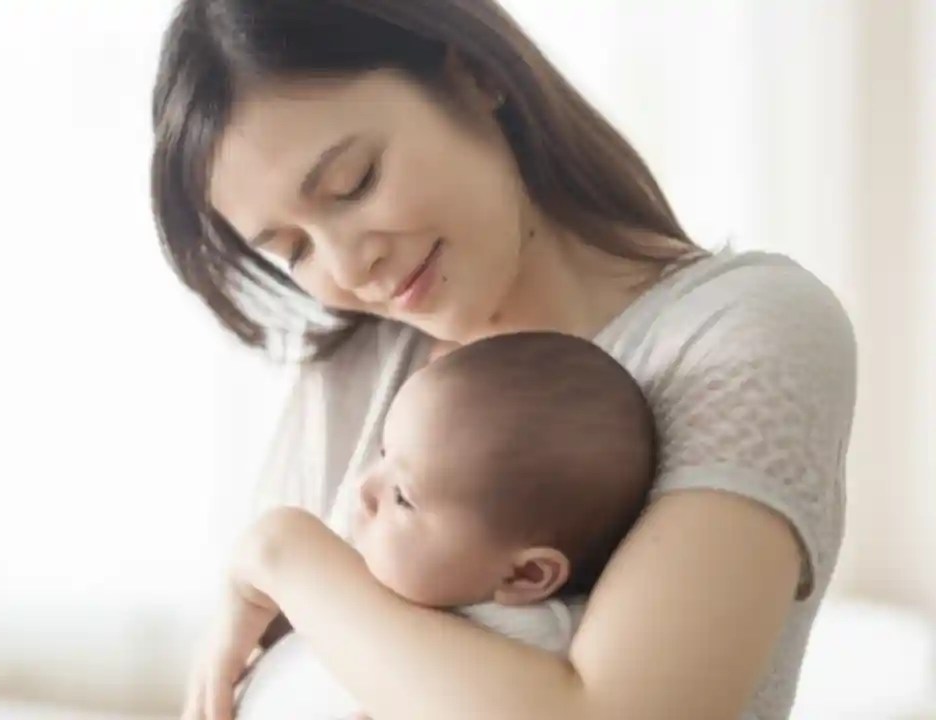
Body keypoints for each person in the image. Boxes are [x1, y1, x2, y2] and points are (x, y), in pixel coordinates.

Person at [151, 1, 857, 718]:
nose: (348, 265)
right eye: (292, 249)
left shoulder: (734, 330)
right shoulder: (356, 366)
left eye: (354, 182)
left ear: (477, 74)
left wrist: (282, 553)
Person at [235, 331, 658, 720]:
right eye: (384, 452)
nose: (365, 488)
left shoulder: (522, 643)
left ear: (524, 575)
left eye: (403, 497)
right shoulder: (411, 576)